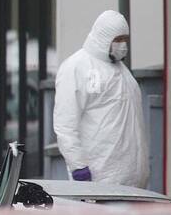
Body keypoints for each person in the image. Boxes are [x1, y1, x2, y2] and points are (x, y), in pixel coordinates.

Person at [53, 10, 149, 188]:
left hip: (133, 184)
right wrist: (78, 167)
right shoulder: (77, 67)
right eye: (118, 39)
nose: (123, 45)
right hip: (99, 182)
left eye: (125, 39)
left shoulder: (122, 72)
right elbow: (65, 125)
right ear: (104, 38)